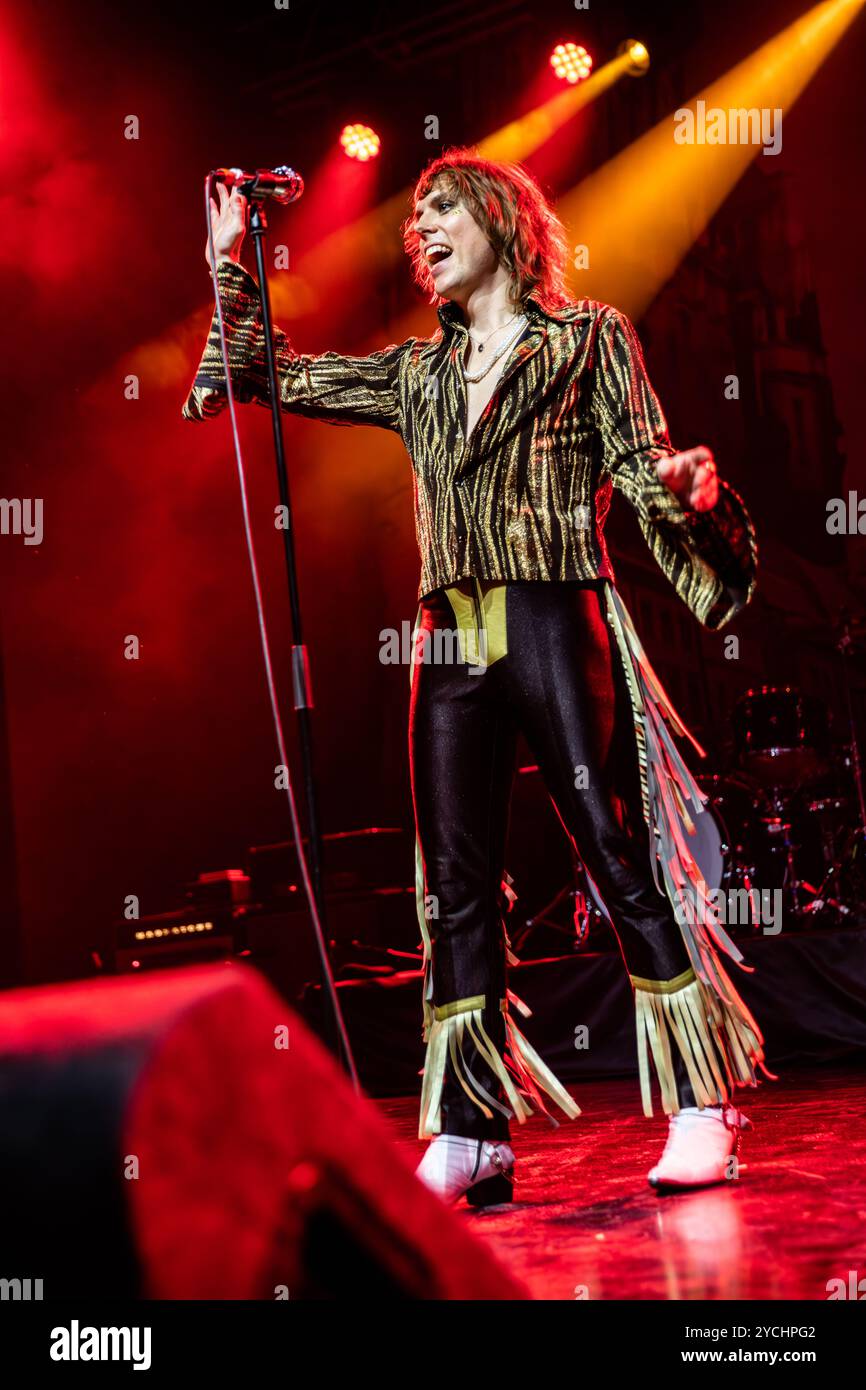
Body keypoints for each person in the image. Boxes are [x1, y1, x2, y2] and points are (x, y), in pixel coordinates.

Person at [184, 148, 766, 1202]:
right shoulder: (415, 373)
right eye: (412, 222)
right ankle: (470, 1130)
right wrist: (235, 263)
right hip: (445, 635)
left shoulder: (587, 339)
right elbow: (265, 370)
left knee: (612, 850)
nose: (422, 232)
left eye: (441, 210)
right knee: (451, 887)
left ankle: (696, 1098)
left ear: (503, 219)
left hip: (551, 610)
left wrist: (693, 495)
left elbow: (643, 475)